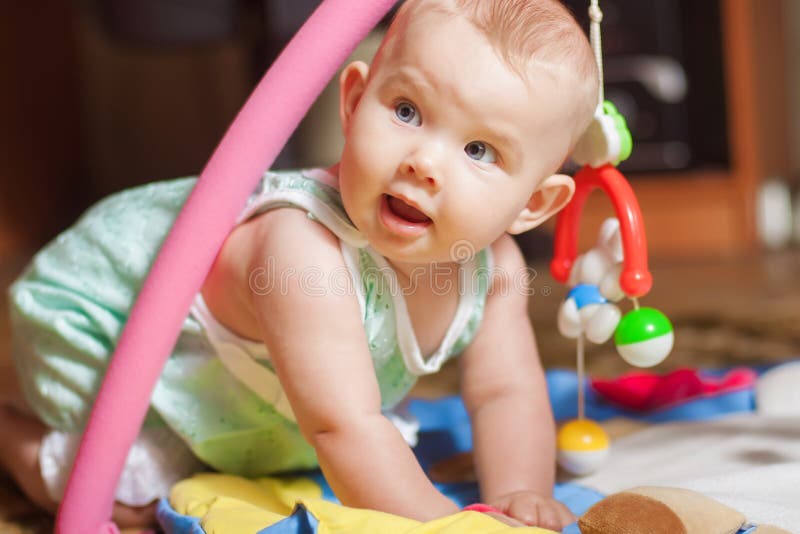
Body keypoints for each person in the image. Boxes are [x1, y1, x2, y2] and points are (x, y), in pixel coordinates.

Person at [0, 0, 599, 529]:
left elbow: (505, 391)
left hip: (248, 382)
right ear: (355, 100)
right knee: (133, 488)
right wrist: (441, 525)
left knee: (291, 440)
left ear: (534, 203)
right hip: (104, 318)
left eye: (479, 150)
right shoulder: (303, 247)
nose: (424, 162)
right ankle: (10, 433)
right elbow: (346, 427)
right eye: (408, 111)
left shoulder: (497, 270)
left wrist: (520, 492)